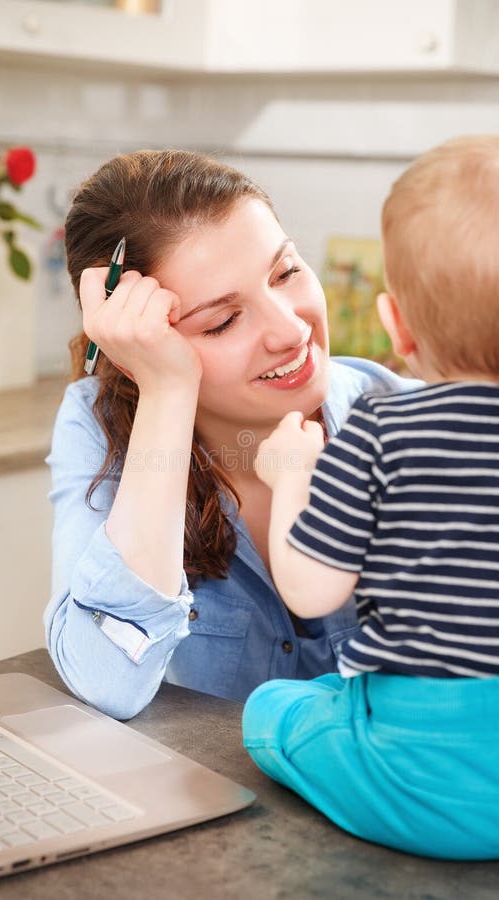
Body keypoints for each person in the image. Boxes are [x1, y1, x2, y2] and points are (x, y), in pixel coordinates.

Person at [45, 149, 415, 722]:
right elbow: (108, 681)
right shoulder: (99, 425)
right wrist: (167, 393)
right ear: (136, 346)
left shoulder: (404, 417)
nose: (290, 330)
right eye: (222, 321)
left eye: (286, 272)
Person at [243, 135, 499, 860]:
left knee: (273, 712)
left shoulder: (383, 428)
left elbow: (312, 589)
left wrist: (294, 474)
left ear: (397, 326)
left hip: (413, 774)